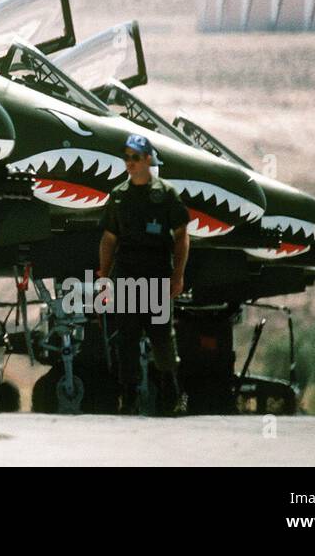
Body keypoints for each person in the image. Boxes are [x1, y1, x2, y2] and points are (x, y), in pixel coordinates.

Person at [97, 133, 190, 416]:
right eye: (126, 157)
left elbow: (182, 236)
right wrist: (104, 277)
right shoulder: (119, 196)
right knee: (126, 338)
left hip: (157, 274)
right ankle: (130, 397)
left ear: (148, 159)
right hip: (126, 275)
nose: (130, 162)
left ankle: (171, 394)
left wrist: (177, 275)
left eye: (135, 157)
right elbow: (109, 239)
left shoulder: (166, 194)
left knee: (162, 336)